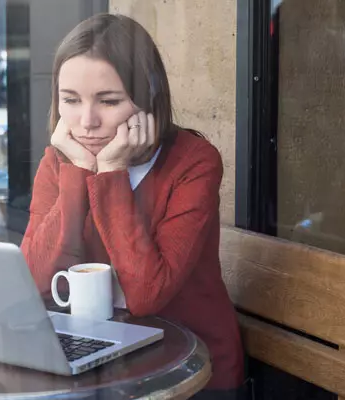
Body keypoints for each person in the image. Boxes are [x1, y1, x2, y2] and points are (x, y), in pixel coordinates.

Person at [20, 14, 245, 399]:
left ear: (148, 99)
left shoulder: (194, 163)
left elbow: (146, 294)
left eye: (108, 101)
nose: (86, 121)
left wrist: (111, 171)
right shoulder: (59, 162)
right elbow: (33, 279)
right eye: (70, 100)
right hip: (101, 369)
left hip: (188, 371)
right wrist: (77, 171)